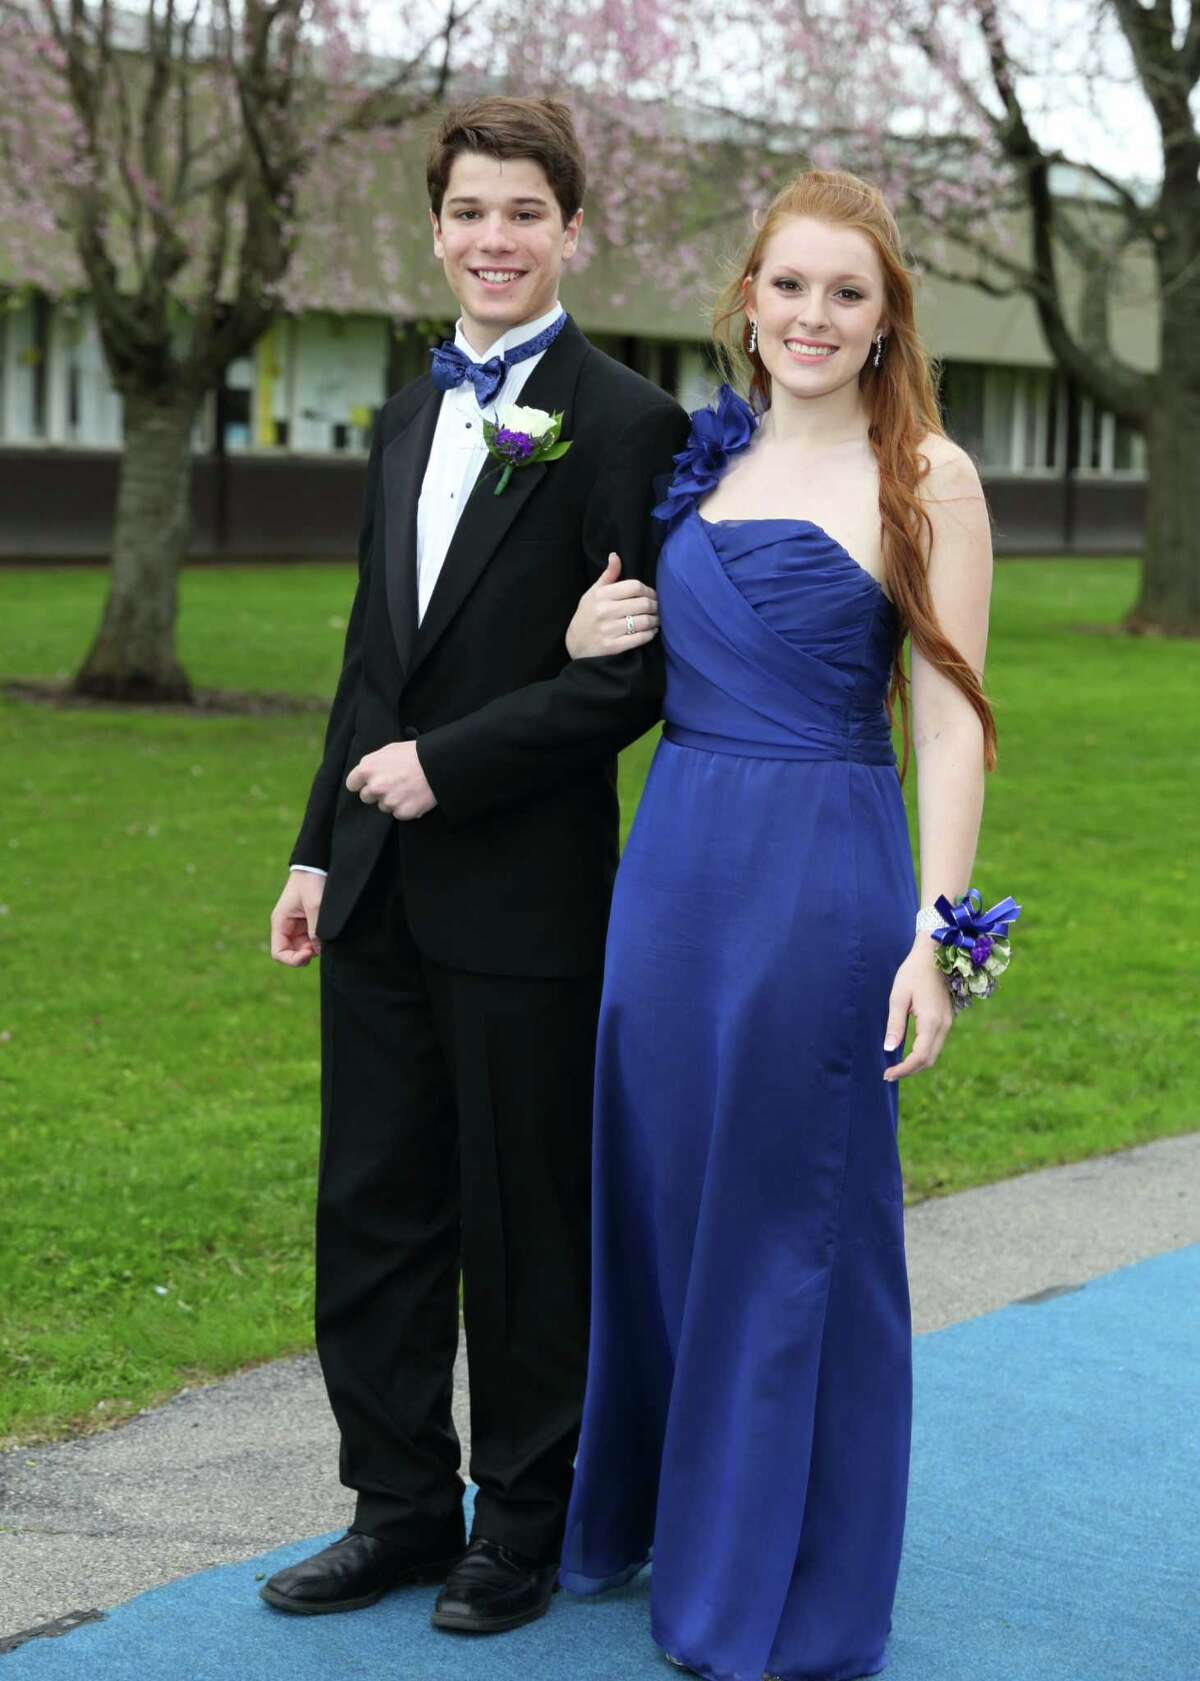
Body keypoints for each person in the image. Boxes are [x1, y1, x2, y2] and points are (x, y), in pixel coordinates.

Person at [558, 169, 995, 1681]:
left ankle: (784, 1567)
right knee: (667, 1194)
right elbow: (638, 639)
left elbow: (947, 723)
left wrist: (938, 935)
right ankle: (681, 1508)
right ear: (748, 296)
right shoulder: (700, 451)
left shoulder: (924, 473)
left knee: (792, 1218)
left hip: (822, 868)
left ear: (887, 321)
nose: (813, 316)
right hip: (675, 866)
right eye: (789, 286)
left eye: (847, 294)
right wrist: (584, 632)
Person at [262, 96, 687, 1635]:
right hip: (373, 888)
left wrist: (455, 762)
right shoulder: (401, 409)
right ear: (435, 229)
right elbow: (377, 664)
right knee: (373, 1206)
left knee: (521, 1222)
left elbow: (635, 683)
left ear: (574, 229)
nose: (493, 240)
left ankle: (519, 1520)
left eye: (525, 213)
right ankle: (391, 1505)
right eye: (469, 213)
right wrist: (320, 843)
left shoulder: (630, 421)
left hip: (526, 900)